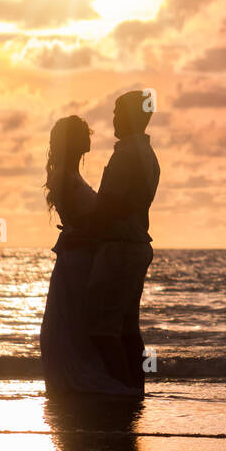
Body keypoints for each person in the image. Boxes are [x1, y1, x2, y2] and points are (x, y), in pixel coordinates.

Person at [39, 116, 141, 396]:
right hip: (78, 260)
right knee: (80, 321)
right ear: (72, 141)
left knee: (82, 321)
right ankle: (116, 387)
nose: (90, 137)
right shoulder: (65, 177)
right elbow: (80, 223)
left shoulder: (70, 174)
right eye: (84, 134)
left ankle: (112, 381)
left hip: (83, 256)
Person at [82, 91, 161, 391]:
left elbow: (110, 206)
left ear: (130, 115)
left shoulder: (126, 155)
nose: (113, 118)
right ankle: (134, 389)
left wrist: (83, 232)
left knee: (102, 329)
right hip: (136, 245)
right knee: (128, 327)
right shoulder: (148, 155)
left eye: (117, 112)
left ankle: (119, 391)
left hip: (120, 247)